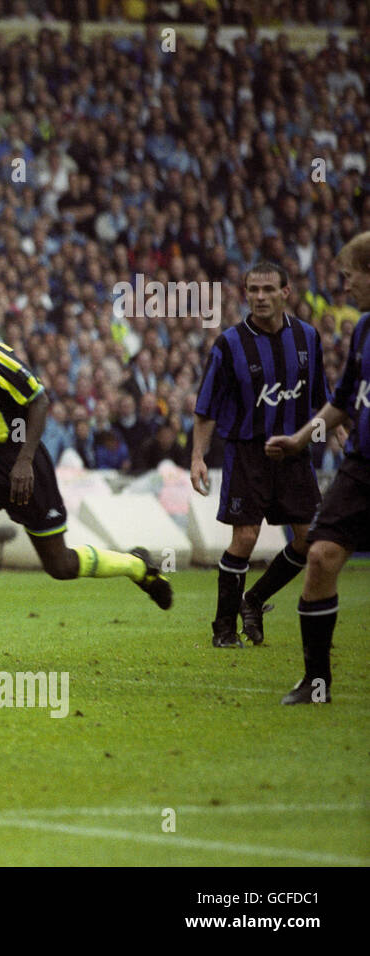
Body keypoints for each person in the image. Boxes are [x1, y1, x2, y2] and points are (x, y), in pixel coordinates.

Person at [0, 295, 172, 666]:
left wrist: (23, 460)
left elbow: (37, 399)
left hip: (21, 459)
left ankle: (136, 566)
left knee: (60, 566)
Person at [191, 262, 328, 649]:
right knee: (246, 536)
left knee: (309, 538)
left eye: (268, 289)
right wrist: (198, 457)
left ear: (286, 292)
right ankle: (223, 630)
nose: (260, 297)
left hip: (294, 451)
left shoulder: (307, 338)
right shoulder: (229, 344)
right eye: (253, 290)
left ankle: (253, 599)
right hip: (246, 452)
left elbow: (323, 400)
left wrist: (339, 434)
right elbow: (206, 408)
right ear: (245, 293)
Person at [265, 232, 370, 704]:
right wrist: (300, 439)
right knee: (321, 555)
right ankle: (316, 682)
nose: (345, 287)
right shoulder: (363, 329)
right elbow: (343, 402)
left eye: (350, 277)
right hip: (361, 466)